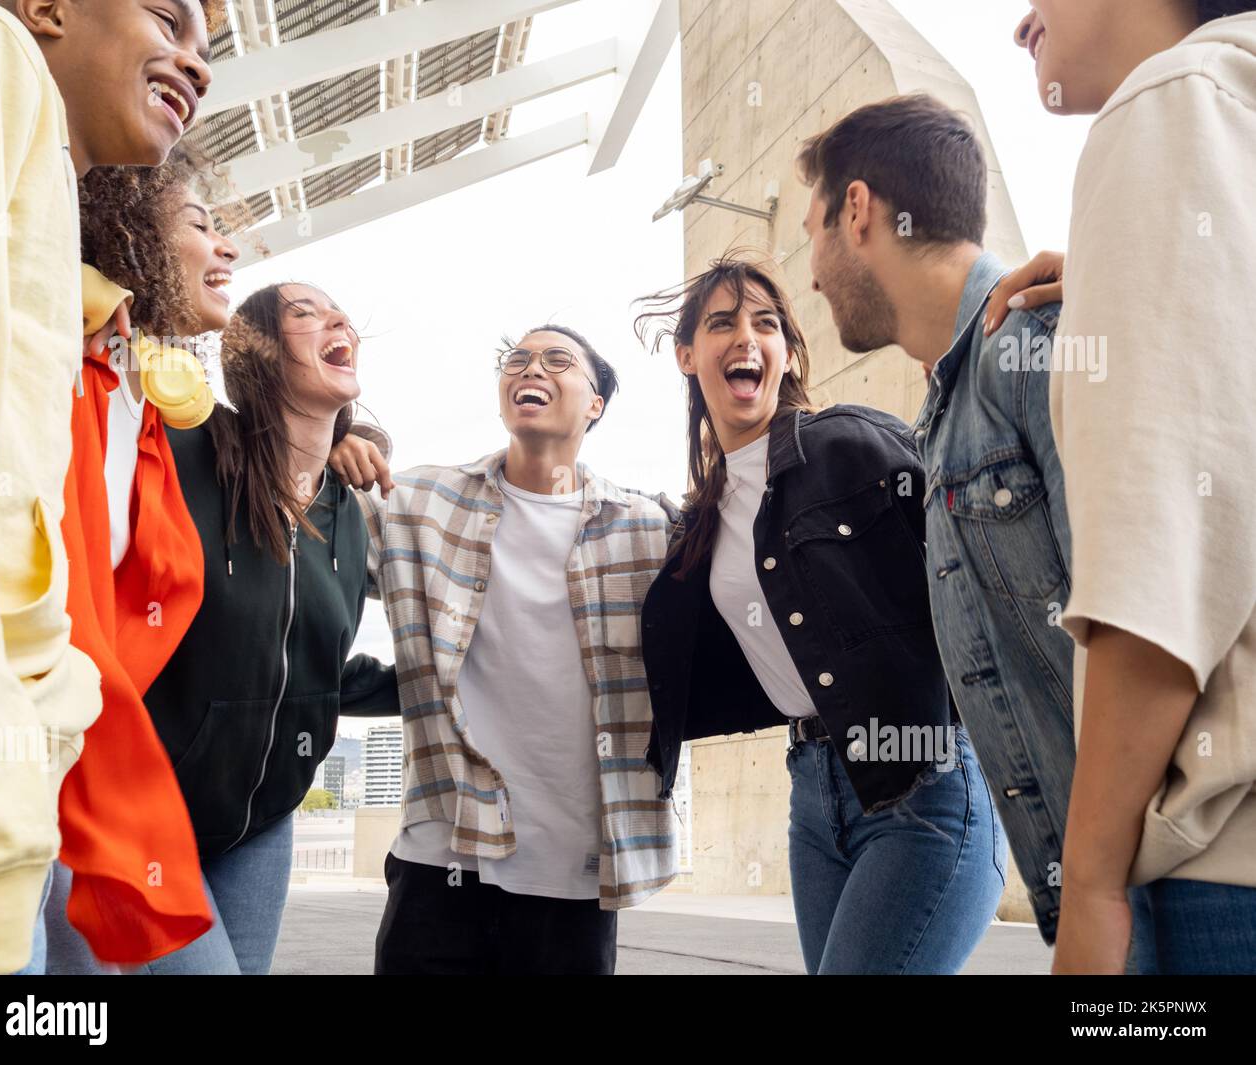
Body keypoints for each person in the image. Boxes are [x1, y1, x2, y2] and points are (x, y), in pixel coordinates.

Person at [635, 257, 1004, 974]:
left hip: (921, 783)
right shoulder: (700, 523)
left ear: (787, 353)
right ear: (687, 355)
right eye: (721, 324)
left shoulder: (851, 442)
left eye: (765, 323)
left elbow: (974, 555)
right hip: (813, 797)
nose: (747, 337)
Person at [0, 0, 215, 974]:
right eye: (167, 17)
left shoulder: (45, 178)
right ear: (48, 9)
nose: (196, 65)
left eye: (209, 48)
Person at [1007, 0, 1256, 976]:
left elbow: (1166, 551)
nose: (1020, 22)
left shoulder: (1172, 99)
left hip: (1220, 887)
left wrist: (1093, 886)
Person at [795, 94, 1073, 946]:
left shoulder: (1041, 338)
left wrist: (1101, 887)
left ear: (857, 209)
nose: (809, 272)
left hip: (1168, 881)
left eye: (811, 230)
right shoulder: (945, 412)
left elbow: (1143, 628)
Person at [343, 326, 677, 975]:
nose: (532, 367)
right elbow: (303, 532)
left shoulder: (646, 528)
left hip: (575, 877)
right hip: (441, 861)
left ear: (595, 403)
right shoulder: (419, 504)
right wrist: (337, 444)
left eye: (558, 360)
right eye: (517, 360)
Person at [138, 283, 399, 974]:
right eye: (304, 313)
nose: (338, 317)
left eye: (338, 309)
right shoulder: (188, 450)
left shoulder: (345, 508)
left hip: (263, 823)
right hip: (148, 810)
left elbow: (312, 669)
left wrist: (428, 684)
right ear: (255, 352)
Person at [43, 151, 239, 973]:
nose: (226, 250)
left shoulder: (142, 404)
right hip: (32, 774)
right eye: (201, 224)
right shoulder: (57, 364)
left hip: (76, 775)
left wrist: (351, 436)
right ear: (126, 235)